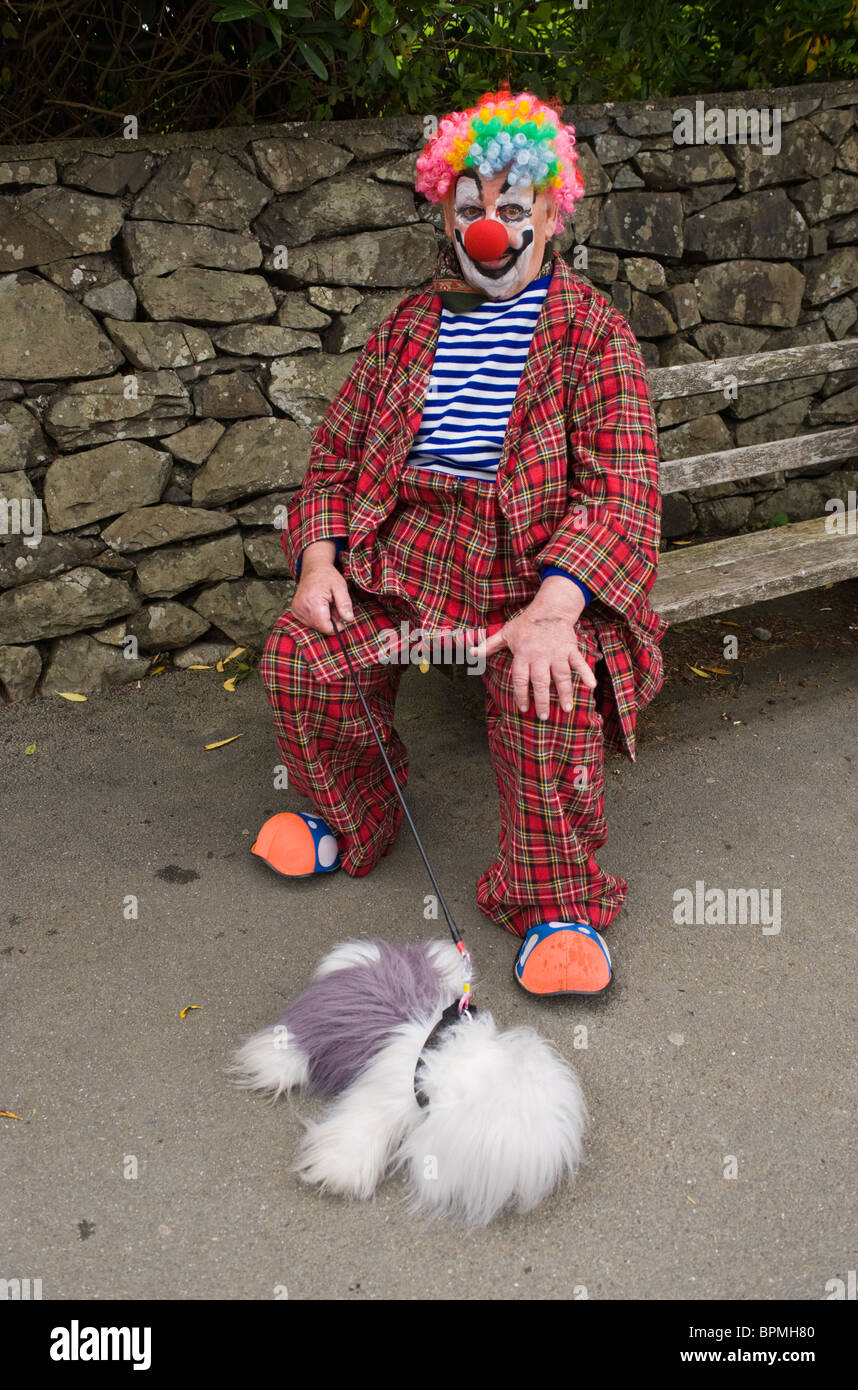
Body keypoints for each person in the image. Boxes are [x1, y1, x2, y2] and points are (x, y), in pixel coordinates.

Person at [258, 88, 668, 996]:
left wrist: (557, 608)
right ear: (447, 216)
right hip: (404, 563)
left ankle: (554, 901)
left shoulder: (592, 334)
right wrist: (321, 561)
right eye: (471, 208)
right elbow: (332, 463)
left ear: (551, 217)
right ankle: (354, 816)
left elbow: (623, 488)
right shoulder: (406, 329)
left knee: (546, 678)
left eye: (513, 210)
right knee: (300, 654)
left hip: (529, 571)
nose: (491, 229)